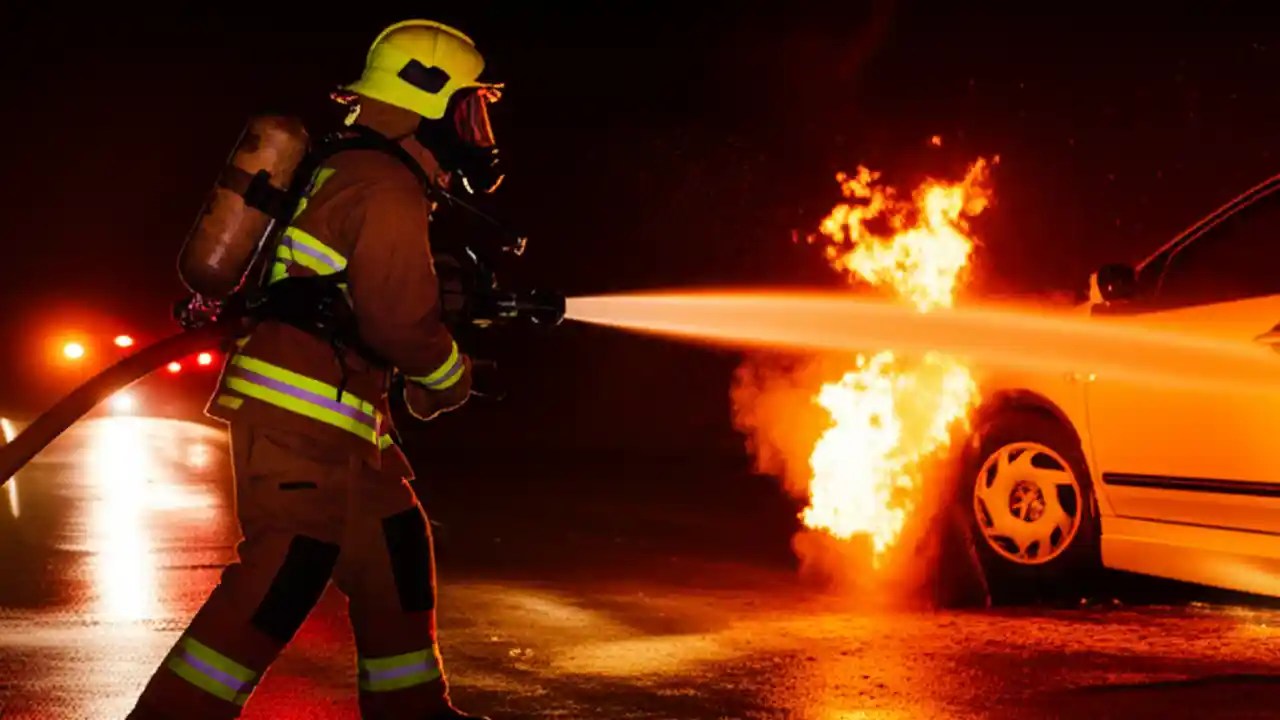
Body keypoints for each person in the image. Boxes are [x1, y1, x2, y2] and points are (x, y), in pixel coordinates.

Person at [128, 19, 506, 720]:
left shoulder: (354, 169)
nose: (478, 130)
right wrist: (448, 377)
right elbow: (398, 320)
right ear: (430, 105)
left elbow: (360, 304)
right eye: (470, 109)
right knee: (284, 573)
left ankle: (413, 712)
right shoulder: (385, 187)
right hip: (298, 421)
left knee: (393, 552)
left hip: (345, 432)